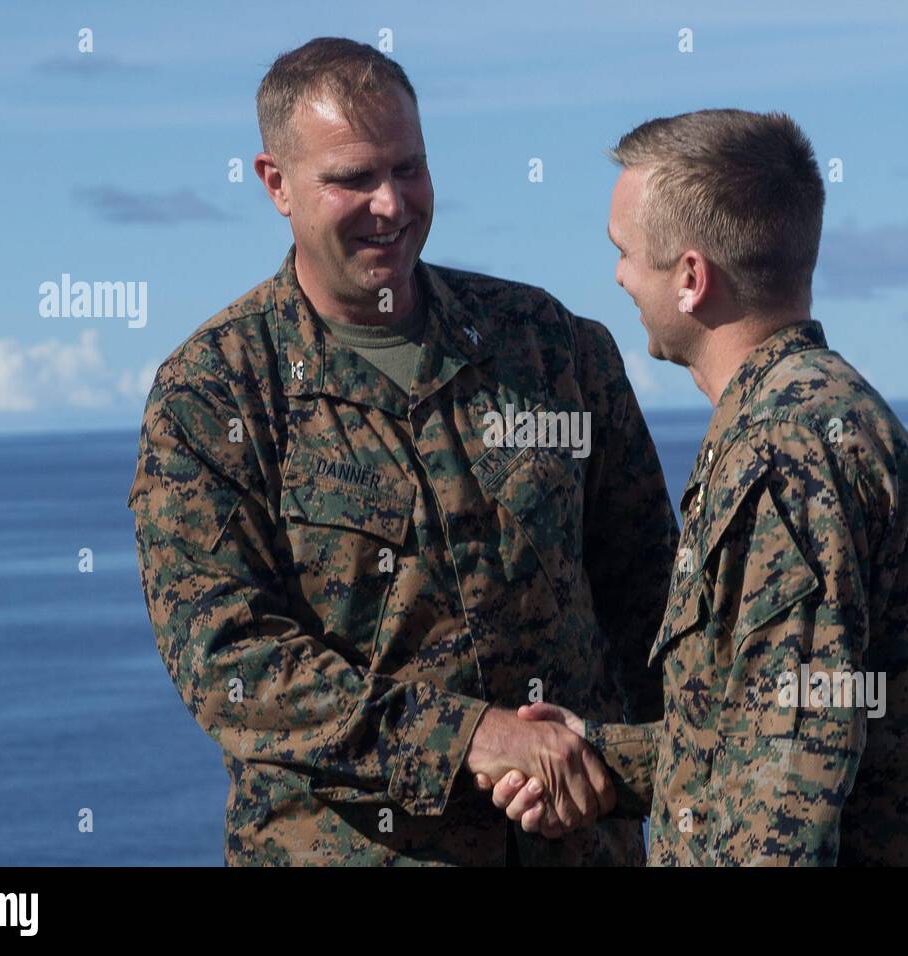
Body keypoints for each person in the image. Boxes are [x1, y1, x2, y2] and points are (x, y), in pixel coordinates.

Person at [126, 37, 678, 866]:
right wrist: (468, 740)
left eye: (409, 169)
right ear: (275, 183)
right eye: (352, 178)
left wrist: (645, 774)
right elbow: (229, 661)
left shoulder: (552, 348)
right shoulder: (216, 395)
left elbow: (652, 596)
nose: (391, 203)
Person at [488, 110, 908, 866]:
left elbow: (789, 793)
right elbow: (757, 733)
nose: (617, 275)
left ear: (690, 278)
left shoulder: (781, 456)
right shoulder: (833, 416)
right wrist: (597, 758)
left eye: (624, 252)